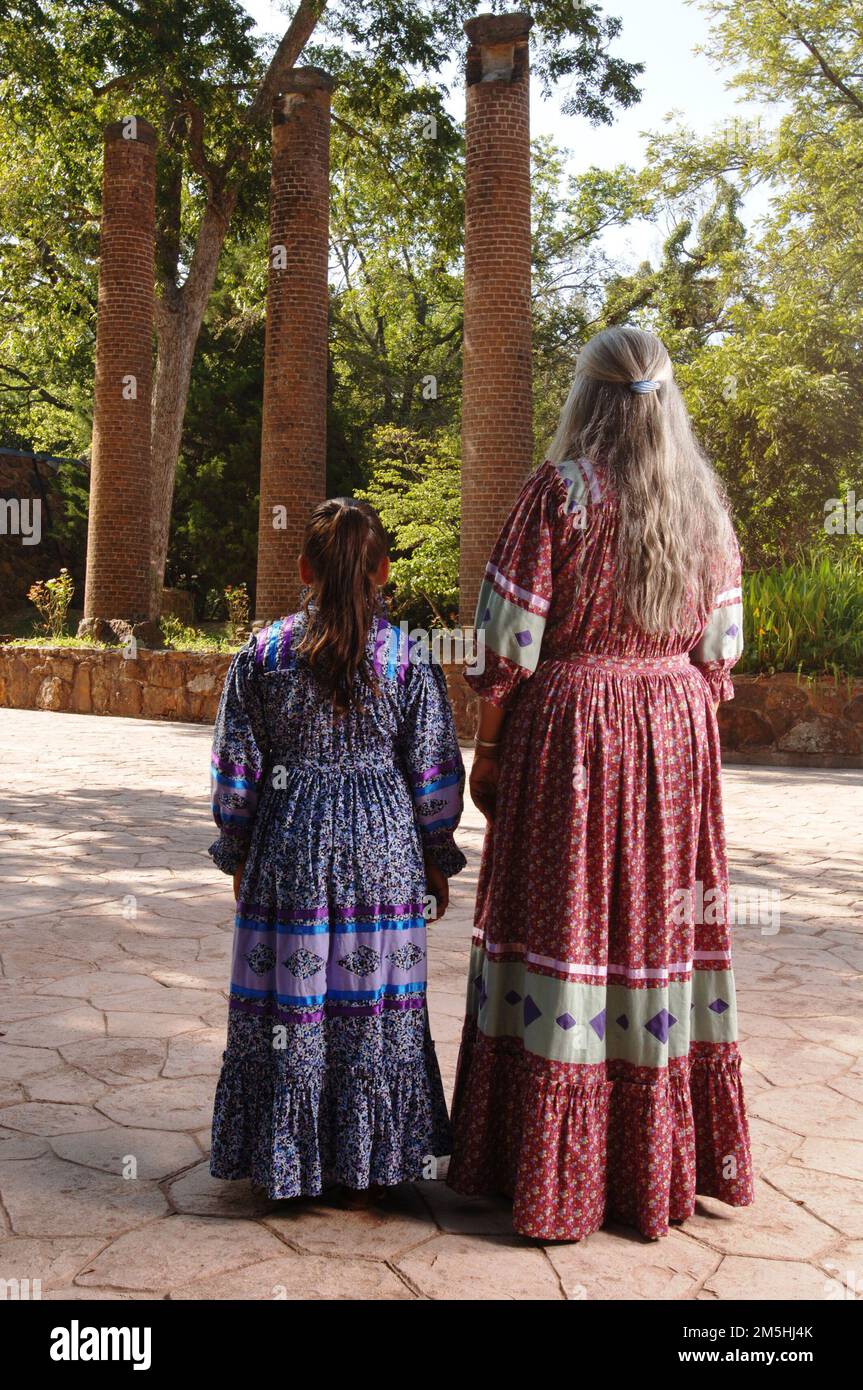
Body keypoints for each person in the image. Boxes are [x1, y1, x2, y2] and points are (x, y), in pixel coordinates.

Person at [447, 325, 754, 1242]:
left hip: (573, 727)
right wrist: (673, 726)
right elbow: (720, 657)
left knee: (565, 922)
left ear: (585, 397)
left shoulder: (559, 494)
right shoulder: (703, 507)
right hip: (672, 731)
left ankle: (549, 1172)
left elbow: (504, 645)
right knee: (659, 934)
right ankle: (653, 1166)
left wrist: (488, 753)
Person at [208, 498, 465, 1204]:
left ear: (303, 569)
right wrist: (435, 852)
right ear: (382, 571)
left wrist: (236, 848)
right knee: (371, 1000)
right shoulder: (408, 656)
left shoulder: (262, 653)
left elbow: (238, 766)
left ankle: (288, 1159)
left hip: (289, 841)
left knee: (293, 1000)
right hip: (382, 845)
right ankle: (370, 1160)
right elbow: (434, 768)